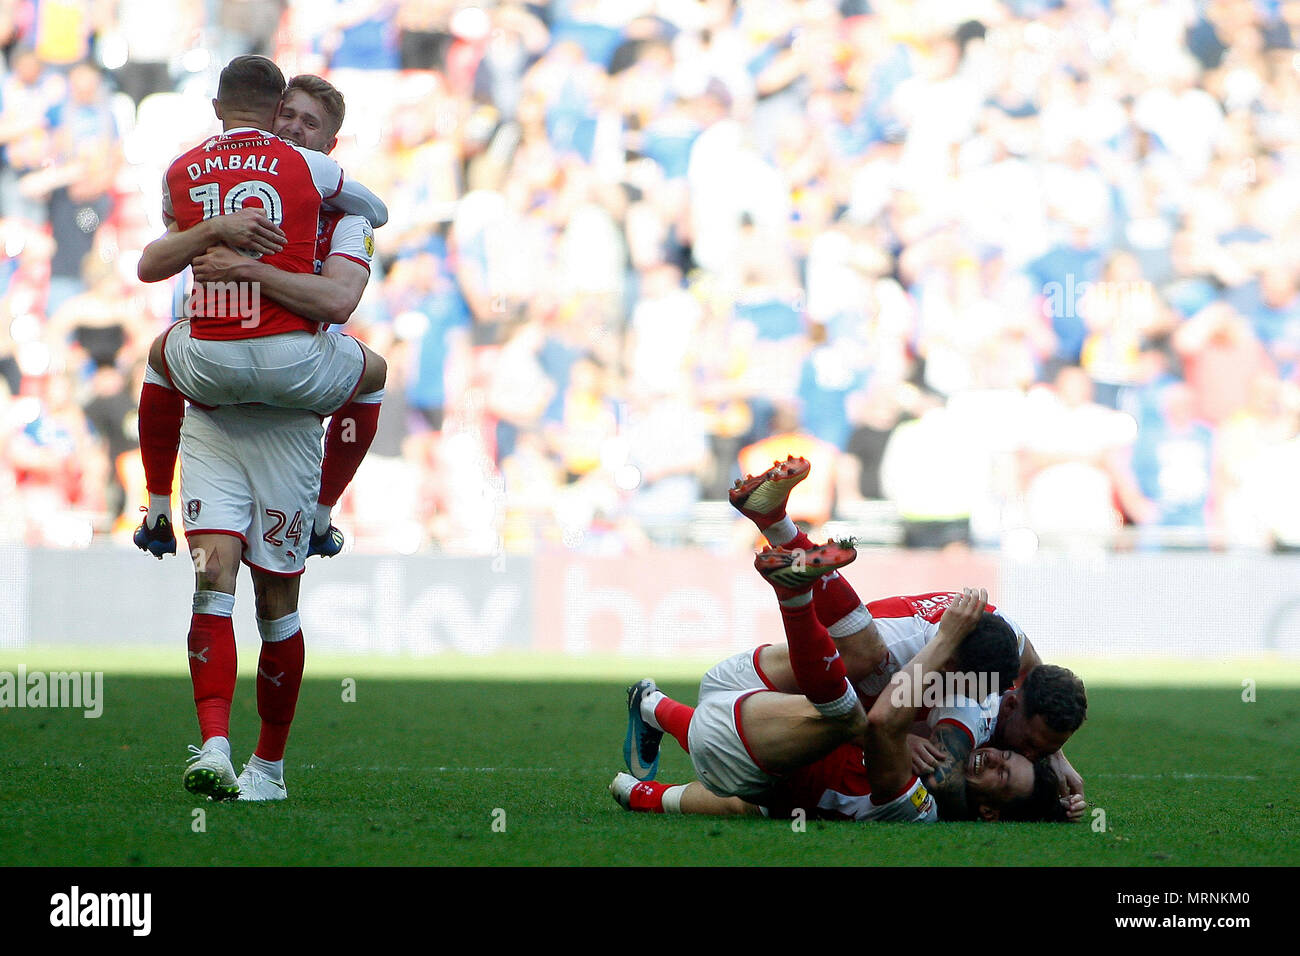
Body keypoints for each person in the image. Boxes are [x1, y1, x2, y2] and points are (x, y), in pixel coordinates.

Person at [131, 55, 388, 561]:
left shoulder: (341, 217)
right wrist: (215, 228)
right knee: (220, 586)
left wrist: (245, 267)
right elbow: (153, 259)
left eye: (309, 122)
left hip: (250, 377)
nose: (292, 128)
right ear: (270, 113)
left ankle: (163, 504)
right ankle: (316, 516)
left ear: (330, 144)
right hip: (259, 377)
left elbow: (340, 297)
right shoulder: (256, 184)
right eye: (287, 115)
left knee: (271, 601)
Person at [613, 553, 1065, 822]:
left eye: (1004, 771)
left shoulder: (922, 807)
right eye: (1015, 752)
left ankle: (647, 718)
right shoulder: (970, 699)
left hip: (756, 759)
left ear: (990, 812)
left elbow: (892, 730)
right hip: (758, 692)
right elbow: (883, 723)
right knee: (844, 705)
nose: (1001, 756)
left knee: (748, 804)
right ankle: (791, 570)